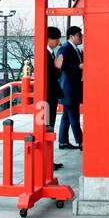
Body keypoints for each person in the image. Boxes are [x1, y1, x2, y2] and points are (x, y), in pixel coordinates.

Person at [55, 25, 84, 149]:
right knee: (74, 116)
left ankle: (63, 141)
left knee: (67, 116)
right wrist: (78, 67)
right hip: (68, 88)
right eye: (79, 35)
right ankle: (81, 141)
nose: (81, 37)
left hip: (73, 87)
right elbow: (59, 64)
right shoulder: (64, 49)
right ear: (71, 36)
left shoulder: (76, 49)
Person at [45, 27, 64, 170]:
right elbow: (52, 75)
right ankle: (46, 160)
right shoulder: (45, 54)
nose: (58, 42)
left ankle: (49, 159)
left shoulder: (50, 54)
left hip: (51, 95)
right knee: (47, 127)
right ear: (49, 39)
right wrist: (58, 66)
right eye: (56, 39)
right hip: (47, 96)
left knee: (50, 127)